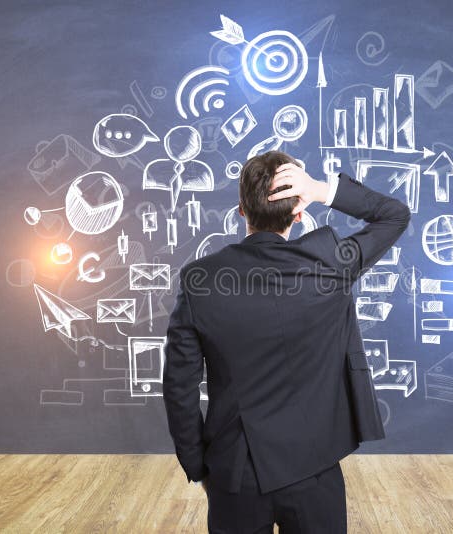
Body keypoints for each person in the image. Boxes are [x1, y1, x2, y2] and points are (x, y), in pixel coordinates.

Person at [163, 150, 411, 533]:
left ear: (241, 210)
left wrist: (198, 465)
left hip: (235, 471)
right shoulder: (333, 265)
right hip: (314, 467)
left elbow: (179, 387)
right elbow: (394, 214)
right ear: (298, 213)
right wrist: (321, 190)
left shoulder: (200, 280)